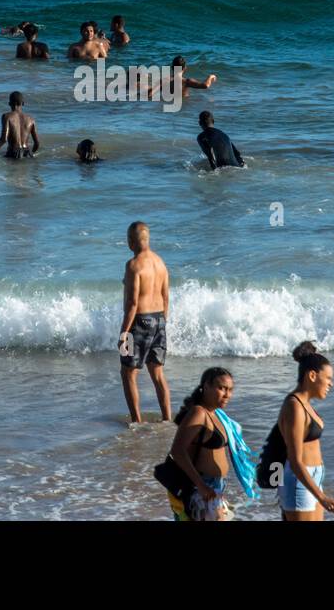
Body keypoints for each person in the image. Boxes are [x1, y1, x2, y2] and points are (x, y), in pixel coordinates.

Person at [277, 342, 334, 520]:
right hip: (299, 481)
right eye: (328, 378)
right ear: (312, 375)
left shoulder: (305, 405)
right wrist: (322, 497)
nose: (331, 384)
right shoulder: (294, 406)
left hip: (310, 481)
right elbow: (295, 461)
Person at [118, 221, 170, 424]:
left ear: (131, 241)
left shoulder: (133, 265)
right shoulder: (161, 263)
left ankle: (137, 422)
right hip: (159, 320)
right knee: (157, 374)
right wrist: (162, 322)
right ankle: (167, 419)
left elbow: (132, 303)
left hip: (138, 322)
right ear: (147, 239)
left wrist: (124, 333)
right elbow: (166, 298)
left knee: (128, 372)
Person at [167, 368, 235, 521]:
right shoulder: (199, 413)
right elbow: (177, 451)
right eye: (221, 388)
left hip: (215, 486)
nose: (227, 394)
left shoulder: (216, 413)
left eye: (230, 390)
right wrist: (201, 485)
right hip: (201, 486)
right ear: (206, 386)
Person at [0, 91, 40, 159]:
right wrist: (31, 153)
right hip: (27, 153)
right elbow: (37, 143)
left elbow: (3, 139)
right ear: (23, 103)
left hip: (13, 154)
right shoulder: (31, 120)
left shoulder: (7, 117)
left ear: (9, 103)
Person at [146, 55, 216, 101]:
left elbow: (150, 94)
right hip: (183, 110)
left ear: (172, 67)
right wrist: (210, 76)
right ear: (185, 68)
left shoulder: (164, 81)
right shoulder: (186, 82)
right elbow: (205, 85)